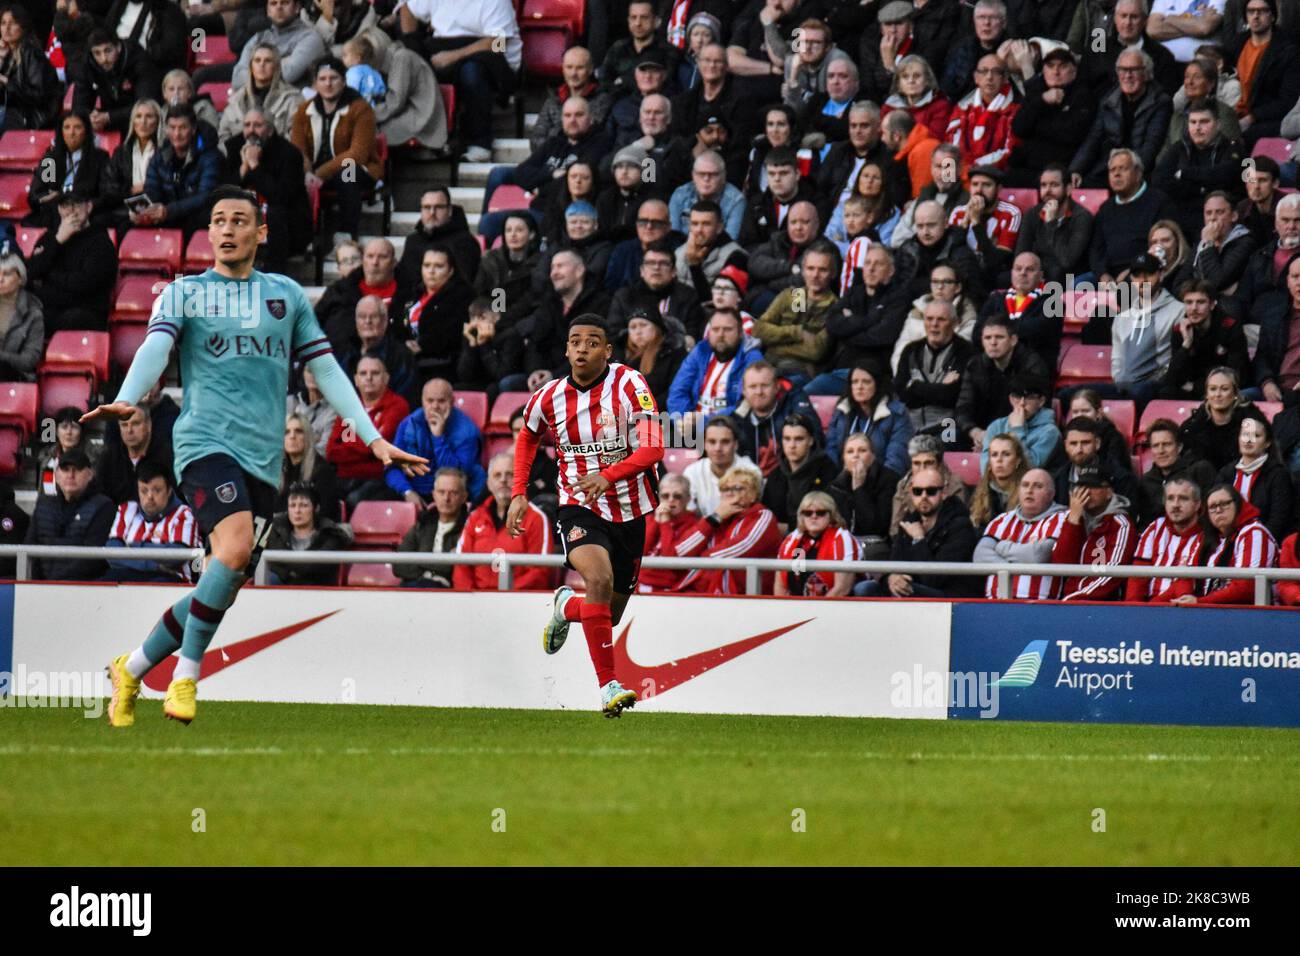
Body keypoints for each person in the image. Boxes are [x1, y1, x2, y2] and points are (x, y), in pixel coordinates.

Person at [92, 185, 428, 728]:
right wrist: (129, 397)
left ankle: (130, 668)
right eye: (218, 220)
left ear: (261, 232)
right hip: (202, 443)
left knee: (222, 580)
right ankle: (185, 676)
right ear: (209, 233)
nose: (226, 229)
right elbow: (155, 346)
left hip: (263, 458)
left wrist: (372, 436)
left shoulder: (287, 296)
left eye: (239, 220)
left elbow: (326, 371)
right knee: (233, 552)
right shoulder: (183, 293)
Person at [509, 314, 664, 716]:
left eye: (592, 342)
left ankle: (566, 607)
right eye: (575, 341)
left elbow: (653, 449)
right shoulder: (550, 396)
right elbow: (527, 435)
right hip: (579, 506)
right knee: (597, 578)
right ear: (565, 349)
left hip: (631, 509)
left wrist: (608, 476)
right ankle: (609, 686)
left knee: (608, 615)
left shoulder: (630, 385)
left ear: (608, 351)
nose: (582, 348)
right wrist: (518, 493)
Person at [290, 56, 383, 242]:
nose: (328, 84)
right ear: (315, 83)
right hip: (314, 172)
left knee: (348, 174)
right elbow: (298, 150)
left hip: (356, 168)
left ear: (344, 81)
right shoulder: (304, 110)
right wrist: (308, 172)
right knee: (289, 173)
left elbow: (357, 154)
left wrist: (320, 174)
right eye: (322, 79)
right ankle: (300, 237)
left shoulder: (361, 109)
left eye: (334, 78)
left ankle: (346, 235)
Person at [857, 465, 980, 597]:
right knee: (865, 589)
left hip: (949, 596)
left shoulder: (960, 525)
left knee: (906, 591)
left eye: (931, 491)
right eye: (917, 491)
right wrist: (891, 578)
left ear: (944, 493)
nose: (924, 496)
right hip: (915, 588)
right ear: (911, 492)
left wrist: (918, 540)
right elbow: (893, 563)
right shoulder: (908, 522)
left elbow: (935, 579)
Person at [222, 107, 311, 273]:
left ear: (270, 130)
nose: (251, 131)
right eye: (247, 125)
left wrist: (255, 166)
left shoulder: (290, 154)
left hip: (289, 224)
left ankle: (273, 279)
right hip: (245, 220)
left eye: (257, 125)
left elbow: (281, 197)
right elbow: (223, 194)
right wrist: (243, 169)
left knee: (275, 213)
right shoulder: (233, 148)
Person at [670, 465, 782, 594]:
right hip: (707, 593)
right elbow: (682, 550)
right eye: (725, 489)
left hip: (745, 599)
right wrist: (714, 518)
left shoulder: (762, 516)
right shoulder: (719, 517)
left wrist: (699, 560)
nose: (729, 493)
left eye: (738, 488)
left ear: (753, 494)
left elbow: (736, 550)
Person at [25, 188, 118, 334]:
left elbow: (82, 284)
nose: (71, 211)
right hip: (49, 308)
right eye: (65, 206)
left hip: (85, 312)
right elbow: (29, 274)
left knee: (65, 319)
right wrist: (58, 241)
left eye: (76, 204)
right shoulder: (50, 238)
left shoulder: (101, 243)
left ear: (89, 207)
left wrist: (48, 274)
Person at [973, 467, 1070, 598]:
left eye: (1038, 486)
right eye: (1025, 485)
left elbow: (1039, 555)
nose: (1029, 490)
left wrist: (1001, 546)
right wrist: (1013, 567)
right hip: (995, 603)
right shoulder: (1002, 520)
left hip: (1040, 605)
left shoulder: (1062, 519)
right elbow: (980, 557)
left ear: (1051, 493)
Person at [386, 378, 487, 505]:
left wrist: (438, 437)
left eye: (441, 401)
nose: (435, 406)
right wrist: (407, 491)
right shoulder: (409, 424)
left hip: (452, 494)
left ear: (451, 402)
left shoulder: (467, 431)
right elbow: (392, 466)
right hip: (415, 489)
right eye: (430, 401)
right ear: (422, 401)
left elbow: (456, 474)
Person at [1172, 483, 1277, 604]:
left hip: (1243, 613)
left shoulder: (1254, 533)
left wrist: (1200, 602)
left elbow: (1247, 588)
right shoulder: (1205, 537)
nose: (1218, 510)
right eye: (1212, 507)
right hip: (1205, 610)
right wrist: (1184, 596)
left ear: (1238, 504)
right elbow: (1184, 576)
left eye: (1224, 504)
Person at [1050, 457, 1138, 600]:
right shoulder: (1072, 518)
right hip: (1070, 600)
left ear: (1109, 492)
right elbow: (1060, 565)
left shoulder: (1121, 524)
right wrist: (1073, 521)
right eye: (1082, 487)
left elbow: (1112, 574)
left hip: (1102, 605)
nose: (1087, 492)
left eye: (1094, 486)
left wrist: (1075, 598)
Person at [1087, 149, 1179, 283]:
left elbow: (1163, 246)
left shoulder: (1159, 202)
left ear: (1138, 174)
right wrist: (1103, 274)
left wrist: (1133, 269)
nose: (1116, 174)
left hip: (1144, 271)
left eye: (1122, 169)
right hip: (1109, 276)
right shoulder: (1105, 208)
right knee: (1076, 284)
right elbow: (1096, 249)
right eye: (1112, 170)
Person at [24, 447, 115, 582]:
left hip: (84, 589)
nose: (70, 475)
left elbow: (93, 557)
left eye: (77, 469)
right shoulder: (43, 504)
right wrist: (38, 585)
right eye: (65, 469)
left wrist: (56, 581)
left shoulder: (103, 506)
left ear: (90, 474)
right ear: (57, 475)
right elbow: (30, 549)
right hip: (41, 589)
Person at [100, 461, 199, 584]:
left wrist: (134, 546)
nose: (150, 496)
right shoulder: (126, 510)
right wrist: (154, 565)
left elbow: (176, 557)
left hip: (171, 580)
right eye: (144, 491)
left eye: (157, 490)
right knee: (107, 580)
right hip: (130, 575)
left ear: (169, 491)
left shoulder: (184, 514)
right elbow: (112, 552)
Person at [1008, 47, 1093, 188]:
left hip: (1061, 169)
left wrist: (1037, 124)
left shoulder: (1083, 96)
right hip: (1027, 167)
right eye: (1050, 66)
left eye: (1063, 66)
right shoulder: (1037, 92)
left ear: (1074, 71)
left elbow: (1070, 135)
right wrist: (1042, 100)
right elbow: (1018, 128)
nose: (1056, 72)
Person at [895, 298, 976, 443]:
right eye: (929, 319)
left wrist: (914, 386)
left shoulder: (967, 353)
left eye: (941, 319)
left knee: (950, 443)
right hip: (912, 425)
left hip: (948, 424)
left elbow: (953, 396)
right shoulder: (910, 350)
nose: (934, 324)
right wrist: (940, 388)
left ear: (955, 323)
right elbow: (901, 393)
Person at [667, 307, 762, 430]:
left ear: (740, 332)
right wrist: (682, 420)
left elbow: (744, 405)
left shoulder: (751, 358)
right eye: (715, 329)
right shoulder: (700, 351)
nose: (721, 335)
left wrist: (705, 422)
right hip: (691, 428)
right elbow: (677, 391)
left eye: (727, 329)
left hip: (729, 429)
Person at [392, 247, 475, 386]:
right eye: (427, 265)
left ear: (451, 271)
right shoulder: (410, 294)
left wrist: (422, 345)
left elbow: (454, 331)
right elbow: (395, 323)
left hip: (441, 364)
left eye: (439, 266)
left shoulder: (462, 296)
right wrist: (404, 344)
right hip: (406, 357)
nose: (431, 271)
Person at [139, 103, 223, 239]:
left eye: (183, 128)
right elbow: (152, 188)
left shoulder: (211, 156)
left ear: (193, 129)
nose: (177, 134)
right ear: (166, 129)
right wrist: (144, 210)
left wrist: (169, 210)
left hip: (197, 218)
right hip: (170, 215)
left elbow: (205, 197)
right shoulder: (159, 156)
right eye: (172, 128)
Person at [732, 360, 822, 476]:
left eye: (764, 386)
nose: (759, 392)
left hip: (790, 478)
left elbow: (816, 440)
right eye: (753, 387)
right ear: (744, 391)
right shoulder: (737, 418)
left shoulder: (794, 404)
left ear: (776, 387)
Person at [1125, 476, 1208, 602]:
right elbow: (1138, 576)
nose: (1175, 505)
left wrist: (1152, 607)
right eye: (1170, 498)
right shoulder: (1155, 527)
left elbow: (1187, 585)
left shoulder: (1207, 534)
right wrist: (1133, 609)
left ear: (1197, 505)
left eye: (1183, 498)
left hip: (1182, 608)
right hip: (1149, 607)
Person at [26, 110, 111, 230]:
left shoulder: (99, 158)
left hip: (86, 215)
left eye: (77, 127)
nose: (72, 133)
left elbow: (105, 195)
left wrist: (83, 207)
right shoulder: (51, 159)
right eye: (67, 127)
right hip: (55, 212)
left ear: (86, 131)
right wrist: (46, 198)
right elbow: (36, 194)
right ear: (61, 132)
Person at [1231, 0, 1300, 148]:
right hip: (1234, 112)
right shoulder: (1237, 44)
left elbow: (1287, 100)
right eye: (1251, 11)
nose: (1256, 16)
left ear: (1273, 16)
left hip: (1268, 119)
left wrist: (1253, 117)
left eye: (1262, 11)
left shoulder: (1288, 51)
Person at [825, 361, 913, 475]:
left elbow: (896, 461)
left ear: (878, 384)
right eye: (855, 382)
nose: (859, 387)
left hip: (882, 484)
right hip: (843, 482)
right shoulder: (842, 411)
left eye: (866, 382)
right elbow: (831, 453)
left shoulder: (897, 415)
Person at [1164, 279, 1249, 396]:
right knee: (1164, 391)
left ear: (1212, 304)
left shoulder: (1230, 327)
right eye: (1189, 302)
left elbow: (1233, 373)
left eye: (1201, 302)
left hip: (1223, 391)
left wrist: (1194, 387)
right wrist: (1186, 344)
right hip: (1193, 388)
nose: (1194, 308)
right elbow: (1171, 379)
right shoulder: (1180, 330)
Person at [1013, 163, 1094, 286]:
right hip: (1040, 270)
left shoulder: (1082, 216)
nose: (1047, 190)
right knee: (1004, 277)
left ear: (1068, 189)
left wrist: (1051, 224)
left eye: (1054, 185)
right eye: (1043, 185)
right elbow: (1021, 253)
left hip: (1072, 274)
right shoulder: (1033, 214)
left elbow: (1068, 261)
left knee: (1056, 274)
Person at [1216, 414, 1295, 540]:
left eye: (1256, 436)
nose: (1249, 440)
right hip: (1226, 541)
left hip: (1263, 542)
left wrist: (1257, 542)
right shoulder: (1227, 472)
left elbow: (1278, 519)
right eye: (1245, 435)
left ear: (1267, 443)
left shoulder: (1278, 474)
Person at [73, 27, 161, 137]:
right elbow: (78, 105)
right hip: (109, 121)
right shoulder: (88, 63)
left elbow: (146, 103)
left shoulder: (138, 60)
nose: (103, 58)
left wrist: (109, 116)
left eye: (108, 50)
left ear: (118, 47)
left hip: (140, 123)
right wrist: (90, 117)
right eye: (97, 53)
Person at [263, 482, 354, 587]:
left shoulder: (330, 534)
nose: (297, 511)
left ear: (316, 508)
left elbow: (314, 568)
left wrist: (288, 570)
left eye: (304, 505)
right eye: (292, 505)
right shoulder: (275, 531)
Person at [315, 238, 399, 351]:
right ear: (363, 260)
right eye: (370, 256)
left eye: (382, 257)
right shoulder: (338, 291)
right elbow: (312, 325)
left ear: (394, 262)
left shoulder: (409, 293)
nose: (375, 262)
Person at [392, 467, 470, 589]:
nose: (446, 498)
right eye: (441, 492)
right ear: (434, 494)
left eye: (453, 493)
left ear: (464, 497)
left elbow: (454, 569)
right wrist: (438, 564)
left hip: (447, 594)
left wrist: (419, 559)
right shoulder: (423, 523)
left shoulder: (470, 527)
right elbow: (398, 565)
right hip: (413, 586)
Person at [773, 490, 860, 596]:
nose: (814, 517)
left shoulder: (842, 537)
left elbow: (842, 587)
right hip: (796, 607)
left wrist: (816, 610)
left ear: (831, 515)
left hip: (833, 606)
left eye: (820, 512)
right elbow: (780, 586)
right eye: (808, 513)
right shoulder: (792, 540)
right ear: (802, 516)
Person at [762, 413, 839, 530]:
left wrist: (788, 528)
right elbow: (766, 515)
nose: (792, 445)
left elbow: (828, 516)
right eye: (787, 439)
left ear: (811, 441)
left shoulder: (827, 471)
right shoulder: (776, 474)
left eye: (799, 439)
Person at [945, 54, 1019, 174]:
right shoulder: (962, 108)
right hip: (960, 177)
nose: (989, 77)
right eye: (984, 71)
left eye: (996, 72)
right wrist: (947, 180)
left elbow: (1009, 151)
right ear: (976, 77)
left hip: (994, 178)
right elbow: (949, 148)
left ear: (1005, 78)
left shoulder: (1014, 109)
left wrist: (973, 168)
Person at [337, 295, 417, 407]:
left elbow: (403, 399)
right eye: (362, 317)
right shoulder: (347, 353)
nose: (367, 321)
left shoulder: (401, 355)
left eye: (373, 316)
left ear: (384, 321)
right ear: (356, 321)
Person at [827, 432, 898, 557]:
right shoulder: (836, 486)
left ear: (872, 456)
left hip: (877, 547)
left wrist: (859, 489)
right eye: (850, 451)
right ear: (844, 459)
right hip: (844, 546)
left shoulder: (888, 479)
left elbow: (876, 527)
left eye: (862, 450)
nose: (856, 455)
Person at [398, 187, 482, 292]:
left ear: (450, 210)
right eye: (427, 207)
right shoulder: (412, 241)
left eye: (438, 207)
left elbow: (463, 285)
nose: (432, 212)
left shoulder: (465, 243)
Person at [229, 0, 327, 90]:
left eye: (285, 2)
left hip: (291, 103)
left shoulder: (310, 37)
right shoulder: (259, 38)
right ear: (268, 10)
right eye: (273, 3)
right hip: (256, 101)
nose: (279, 7)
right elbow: (237, 79)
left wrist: (255, 70)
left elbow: (288, 74)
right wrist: (280, 62)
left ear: (297, 7)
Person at [1137, 418, 1218, 525]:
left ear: (1179, 447)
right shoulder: (1146, 481)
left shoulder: (1199, 470)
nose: (1161, 451)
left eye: (1166, 444)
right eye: (1156, 446)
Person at [219, 42, 304, 144]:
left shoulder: (293, 99)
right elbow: (223, 138)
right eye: (257, 60)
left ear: (277, 67)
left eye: (267, 61)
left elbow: (296, 139)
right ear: (251, 67)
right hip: (239, 157)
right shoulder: (236, 101)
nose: (262, 64)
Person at [1179, 367, 1262, 470]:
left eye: (1224, 389)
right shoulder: (1195, 423)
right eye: (1213, 389)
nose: (1217, 394)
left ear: (1235, 393)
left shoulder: (1251, 421)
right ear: (1207, 394)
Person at [681, 415, 762, 516]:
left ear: (736, 444)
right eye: (712, 442)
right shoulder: (692, 472)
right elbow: (687, 516)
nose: (718, 448)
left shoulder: (752, 471)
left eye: (725, 442)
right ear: (704, 444)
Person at [889, 433, 969, 536]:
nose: (922, 469)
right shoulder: (904, 485)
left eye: (929, 463)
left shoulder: (955, 485)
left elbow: (957, 528)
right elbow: (894, 530)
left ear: (940, 464)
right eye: (917, 463)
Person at [101, 98, 162, 230]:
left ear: (158, 121)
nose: (143, 122)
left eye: (149, 116)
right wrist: (130, 190)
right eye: (138, 117)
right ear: (132, 121)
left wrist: (146, 187)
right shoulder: (121, 152)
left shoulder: (165, 151)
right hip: (125, 209)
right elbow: (108, 188)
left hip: (157, 208)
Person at [980, 374, 1061, 470]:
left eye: (1029, 398)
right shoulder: (996, 426)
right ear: (1010, 399)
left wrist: (1017, 430)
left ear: (1041, 401)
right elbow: (985, 467)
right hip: (998, 483)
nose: (1022, 403)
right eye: (1017, 397)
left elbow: (1031, 467)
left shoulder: (1050, 432)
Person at [96, 405, 174, 505]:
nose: (129, 430)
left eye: (136, 424)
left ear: (148, 425)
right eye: (124, 425)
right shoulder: (109, 457)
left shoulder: (167, 456)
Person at [0, 5, 60, 130]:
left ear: (23, 26)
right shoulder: (8, 54)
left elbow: (38, 96)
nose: (7, 28)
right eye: (3, 23)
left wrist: (6, 82)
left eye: (13, 23)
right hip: (13, 114)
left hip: (33, 117)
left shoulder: (32, 54)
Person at [618, 307, 688, 410]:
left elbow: (674, 391)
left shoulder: (675, 354)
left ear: (657, 328)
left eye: (643, 325)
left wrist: (645, 411)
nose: (638, 331)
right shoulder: (626, 359)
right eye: (633, 327)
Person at [639, 473, 696, 593]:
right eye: (665, 496)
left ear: (688, 499)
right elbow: (641, 551)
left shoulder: (694, 524)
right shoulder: (650, 519)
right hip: (639, 584)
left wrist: (665, 523)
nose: (671, 500)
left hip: (670, 589)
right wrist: (656, 522)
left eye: (677, 496)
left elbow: (669, 557)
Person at [278, 412, 340, 522]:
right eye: (287, 432)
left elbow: (326, 514)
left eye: (299, 431)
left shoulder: (322, 471)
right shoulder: (278, 471)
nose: (292, 436)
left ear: (307, 436)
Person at [969, 433, 1029, 529]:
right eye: (994, 455)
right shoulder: (982, 494)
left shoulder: (1028, 492)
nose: (999, 460)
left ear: (1017, 461)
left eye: (1006, 454)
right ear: (989, 462)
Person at [0, 254, 43, 381]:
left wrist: (2, 356)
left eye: (7, 274)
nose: (0, 279)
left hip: (17, 377)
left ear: (20, 278)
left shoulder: (33, 313)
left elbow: (29, 360)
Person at [35, 406, 93, 497]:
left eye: (74, 427)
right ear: (57, 431)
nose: (68, 432)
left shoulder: (92, 460)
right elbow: (42, 495)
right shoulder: (47, 458)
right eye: (64, 427)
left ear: (81, 432)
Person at [286, 365, 335, 457]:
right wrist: (313, 438)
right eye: (309, 370)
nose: (313, 374)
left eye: (318, 370)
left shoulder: (334, 410)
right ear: (303, 374)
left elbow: (323, 450)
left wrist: (294, 448)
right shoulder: (291, 402)